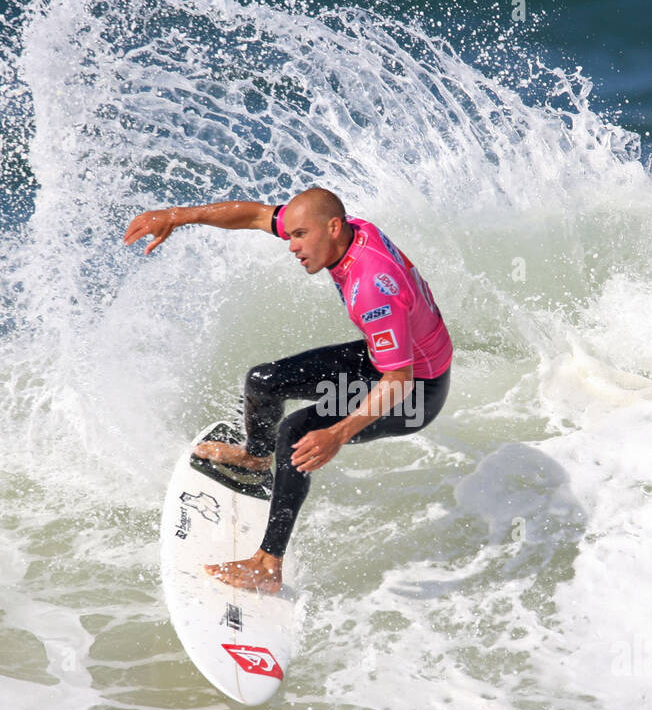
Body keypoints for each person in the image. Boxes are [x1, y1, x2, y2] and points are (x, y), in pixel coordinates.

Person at [124, 187, 452, 592]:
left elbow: (398, 382)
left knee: (295, 433)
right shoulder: (346, 231)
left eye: (300, 236)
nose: (292, 246)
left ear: (332, 228)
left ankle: (267, 565)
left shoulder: (372, 288)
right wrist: (177, 215)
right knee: (264, 381)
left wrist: (337, 433)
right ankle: (257, 460)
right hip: (389, 359)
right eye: (291, 235)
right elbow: (255, 215)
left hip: (417, 391)